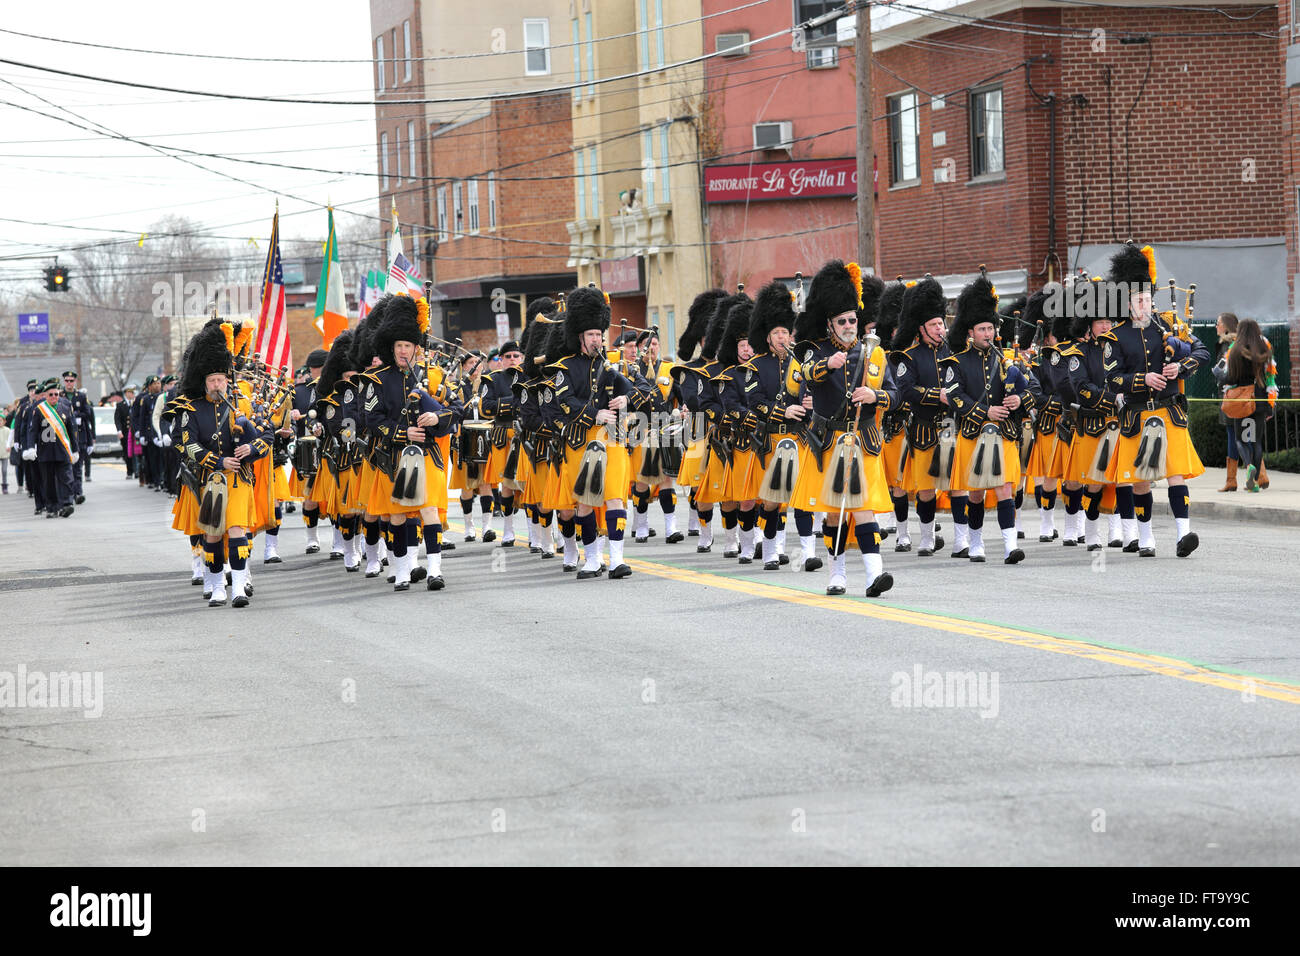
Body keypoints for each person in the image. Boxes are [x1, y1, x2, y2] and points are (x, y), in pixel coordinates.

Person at [790, 260, 894, 597]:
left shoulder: (873, 353)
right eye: (843, 321)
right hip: (830, 440)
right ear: (830, 324)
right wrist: (826, 365)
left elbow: (894, 393)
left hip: (863, 440)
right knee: (834, 514)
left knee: (863, 508)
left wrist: (875, 395)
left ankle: (874, 576)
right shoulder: (815, 352)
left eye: (853, 320)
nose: (850, 325)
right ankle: (837, 574)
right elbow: (804, 376)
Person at [1105, 241, 1209, 558]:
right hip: (1137, 416)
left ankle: (1183, 533)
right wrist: (1142, 380)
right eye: (1139, 299)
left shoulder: (1169, 325)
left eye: (1148, 297)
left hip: (1169, 411)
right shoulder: (1115, 335)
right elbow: (1111, 377)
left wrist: (1181, 366)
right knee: (1140, 482)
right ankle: (1146, 536)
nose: (1145, 304)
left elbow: (1202, 351)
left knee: (1176, 472)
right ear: (1127, 301)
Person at [169, 319, 267, 606]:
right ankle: (216, 587)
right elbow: (189, 446)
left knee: (236, 530)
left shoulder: (240, 407)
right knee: (212, 536)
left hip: (238, 482)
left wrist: (249, 443)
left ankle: (237, 586)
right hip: (210, 482)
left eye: (220, 380)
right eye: (211, 380)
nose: (216, 385)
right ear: (204, 381)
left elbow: (265, 438)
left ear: (227, 380)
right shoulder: (191, 409)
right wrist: (219, 460)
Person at [361, 293, 453, 591]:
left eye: (408, 345)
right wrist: (404, 433)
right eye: (399, 345)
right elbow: (371, 421)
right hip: (393, 458)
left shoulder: (430, 377)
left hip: (427, 455)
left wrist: (436, 420)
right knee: (398, 516)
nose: (403, 350)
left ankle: (435, 570)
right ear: (392, 347)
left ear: (416, 348)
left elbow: (456, 410)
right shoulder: (376, 380)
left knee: (429, 511)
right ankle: (401, 570)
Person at [940, 273, 1031, 565]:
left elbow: (1033, 390)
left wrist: (1020, 400)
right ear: (970, 332)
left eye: (990, 328)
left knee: (1005, 488)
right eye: (982, 329)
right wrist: (985, 412)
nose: (988, 334)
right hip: (972, 434)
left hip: (1003, 434)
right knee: (977, 493)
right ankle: (976, 541)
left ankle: (1009, 546)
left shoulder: (1007, 362)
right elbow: (955, 397)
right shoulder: (956, 362)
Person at [893, 277, 964, 557]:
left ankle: (961, 541)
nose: (940, 328)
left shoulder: (954, 354)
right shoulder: (909, 357)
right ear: (921, 328)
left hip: (951, 429)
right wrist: (938, 396)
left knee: (957, 487)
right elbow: (905, 389)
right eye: (934, 325)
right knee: (925, 490)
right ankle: (925, 538)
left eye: (941, 323)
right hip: (923, 431)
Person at [1216, 317, 1277, 493]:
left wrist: (1219, 374)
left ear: (1240, 330)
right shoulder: (1264, 348)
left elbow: (1230, 379)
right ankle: (1255, 481)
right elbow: (1270, 377)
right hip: (1260, 399)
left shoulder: (1235, 350)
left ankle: (1249, 465)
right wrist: (1270, 405)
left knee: (1240, 439)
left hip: (1241, 400)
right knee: (1256, 441)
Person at [28, 377, 79, 518]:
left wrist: (75, 450)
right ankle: (52, 507)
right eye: (51, 394)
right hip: (46, 451)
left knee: (66, 478)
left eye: (56, 394)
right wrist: (31, 447)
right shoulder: (39, 410)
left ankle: (67, 504)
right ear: (45, 395)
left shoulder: (66, 407)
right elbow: (33, 431)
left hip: (62, 450)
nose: (54, 397)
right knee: (49, 481)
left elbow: (71, 430)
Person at [1212, 312, 1240, 491]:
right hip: (1244, 397)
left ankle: (1231, 480)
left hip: (1231, 396)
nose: (1216, 326)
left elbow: (1227, 373)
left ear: (1227, 327)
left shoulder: (1227, 346)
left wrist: (1217, 375)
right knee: (1246, 437)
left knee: (1233, 435)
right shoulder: (1241, 343)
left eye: (1218, 323)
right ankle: (1258, 476)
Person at [61, 370, 93, 491]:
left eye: (71, 381)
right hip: (65, 436)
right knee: (67, 467)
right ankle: (70, 492)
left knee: (78, 466)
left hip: (79, 435)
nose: (69, 383)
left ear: (75, 381)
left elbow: (88, 413)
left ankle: (78, 491)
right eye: (67, 381)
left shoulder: (81, 396)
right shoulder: (59, 395)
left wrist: (77, 416)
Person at [116, 384, 137, 479]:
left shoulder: (136, 403)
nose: (132, 394)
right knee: (127, 452)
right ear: (126, 393)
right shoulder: (120, 405)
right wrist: (119, 431)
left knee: (137, 452)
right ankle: (129, 471)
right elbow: (117, 419)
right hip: (125, 433)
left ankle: (137, 471)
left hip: (135, 432)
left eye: (133, 392)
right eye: (130, 392)